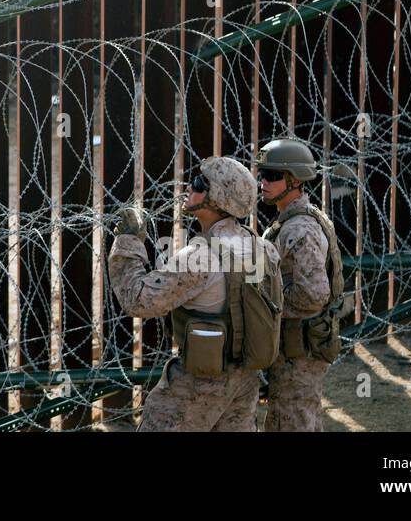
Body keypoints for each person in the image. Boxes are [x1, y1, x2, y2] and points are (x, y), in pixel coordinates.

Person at [108, 156, 283, 431]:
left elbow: (137, 299)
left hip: (197, 387)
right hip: (244, 381)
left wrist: (128, 242)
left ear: (218, 200)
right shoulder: (262, 248)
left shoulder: (199, 258)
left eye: (200, 184)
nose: (190, 187)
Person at [256, 137, 345, 432]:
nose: (263, 182)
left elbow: (312, 294)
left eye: (272, 176)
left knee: (293, 422)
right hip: (295, 349)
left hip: (300, 351)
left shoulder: (300, 229)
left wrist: (267, 307)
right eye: (262, 175)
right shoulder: (292, 220)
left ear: (294, 180)